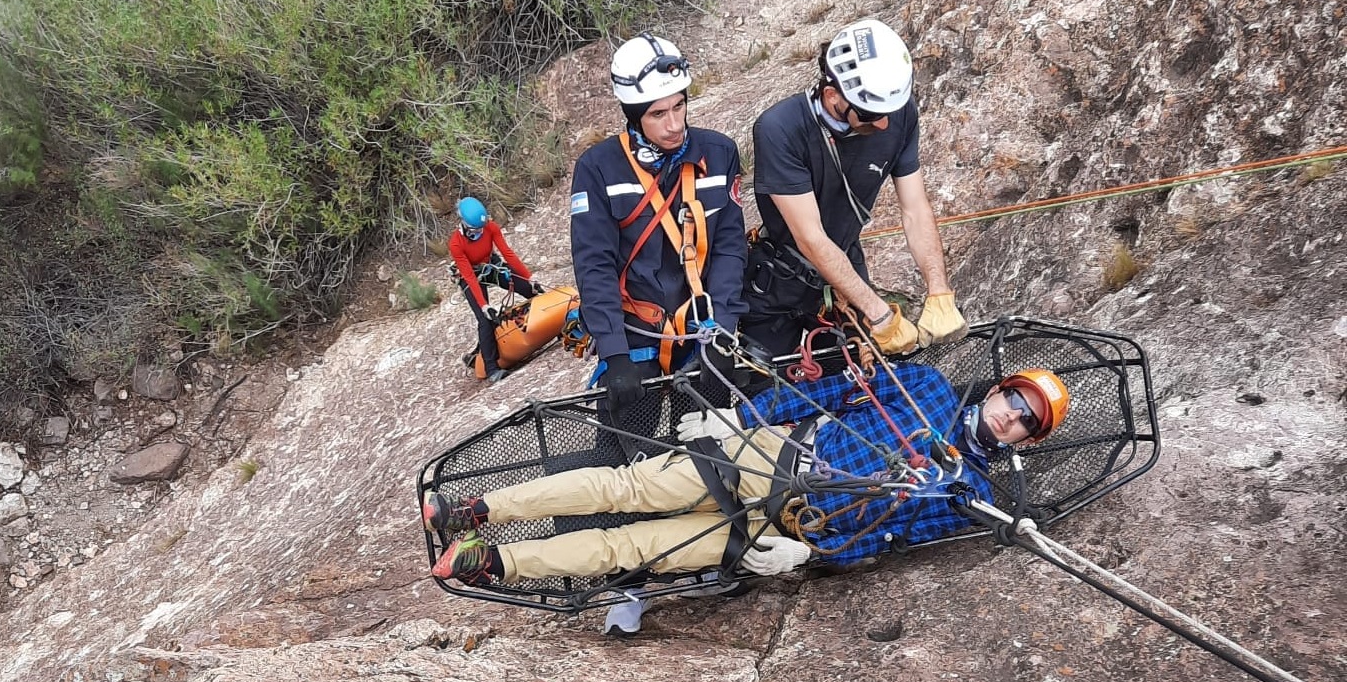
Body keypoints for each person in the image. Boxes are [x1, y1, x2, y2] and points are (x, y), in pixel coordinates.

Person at [423, 363, 1070, 587]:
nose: (1009, 417)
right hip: (769, 457)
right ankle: (479, 509)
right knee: (625, 488)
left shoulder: (968, 493)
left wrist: (808, 555)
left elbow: (885, 538)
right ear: (997, 391)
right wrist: (738, 416)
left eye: (1024, 422)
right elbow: (835, 391)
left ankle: (493, 561)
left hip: (784, 527)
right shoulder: (925, 386)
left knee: (633, 548)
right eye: (1013, 401)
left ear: (1026, 439)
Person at [741, 18, 967, 361]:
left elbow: (915, 208)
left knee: (854, 385)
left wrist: (939, 291)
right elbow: (810, 238)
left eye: (888, 112)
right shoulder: (781, 129)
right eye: (870, 114)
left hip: (846, 262)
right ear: (832, 95)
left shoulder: (898, 114)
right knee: (762, 390)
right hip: (781, 279)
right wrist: (879, 313)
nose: (883, 125)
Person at [569, 33, 748, 449]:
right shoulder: (598, 170)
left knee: (708, 454)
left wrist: (723, 328)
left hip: (701, 330)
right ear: (633, 117)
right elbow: (594, 265)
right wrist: (614, 352)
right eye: (657, 114)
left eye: (679, 106)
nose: (674, 125)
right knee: (620, 465)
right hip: (636, 334)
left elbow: (728, 248)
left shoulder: (718, 155)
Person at [449, 196, 542, 384]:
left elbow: (507, 253)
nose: (479, 233)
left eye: (481, 230)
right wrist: (484, 306)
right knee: (485, 320)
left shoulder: (490, 228)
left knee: (527, 289)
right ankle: (491, 368)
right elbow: (468, 276)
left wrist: (529, 278)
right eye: (475, 231)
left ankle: (543, 321)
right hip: (471, 276)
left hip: (491, 267)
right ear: (464, 224)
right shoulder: (456, 244)